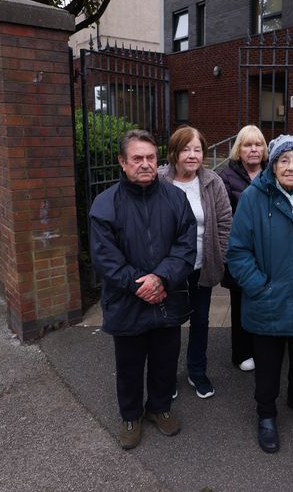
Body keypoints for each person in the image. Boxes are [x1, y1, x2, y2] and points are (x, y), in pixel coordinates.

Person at [89, 129, 196, 450]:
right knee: (130, 364)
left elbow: (186, 246)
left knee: (166, 359)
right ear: (122, 162)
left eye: (150, 158)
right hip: (127, 301)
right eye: (137, 158)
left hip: (167, 298)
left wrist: (161, 279)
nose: (145, 164)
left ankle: (159, 408)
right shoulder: (105, 204)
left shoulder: (175, 198)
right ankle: (131, 415)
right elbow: (106, 258)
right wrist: (144, 285)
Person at [226, 134, 293, 454]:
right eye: (283, 160)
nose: (290, 166)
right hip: (267, 298)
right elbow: (238, 251)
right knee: (268, 365)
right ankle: (266, 414)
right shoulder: (252, 198)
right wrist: (259, 285)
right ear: (272, 165)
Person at [159, 126, 232, 399]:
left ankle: (197, 371)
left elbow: (225, 221)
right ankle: (166, 376)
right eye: (185, 149)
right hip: (169, 270)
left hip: (202, 266)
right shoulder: (159, 180)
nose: (192, 155)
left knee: (200, 321)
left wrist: (219, 254)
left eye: (197, 149)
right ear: (174, 153)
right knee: (169, 324)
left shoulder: (213, 181)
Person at [219, 125, 268, 372]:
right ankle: (241, 352)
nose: (254, 150)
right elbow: (226, 218)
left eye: (258, 144)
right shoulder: (226, 177)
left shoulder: (273, 173)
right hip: (241, 251)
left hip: (268, 251)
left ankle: (263, 348)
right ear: (239, 149)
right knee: (240, 301)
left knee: (263, 300)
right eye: (248, 145)